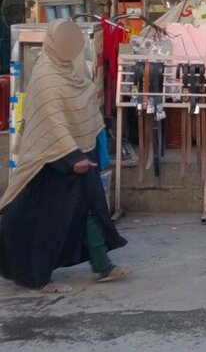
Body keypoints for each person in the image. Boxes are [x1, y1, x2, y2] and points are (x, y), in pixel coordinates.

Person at [0, 20, 129, 293]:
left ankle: (103, 266)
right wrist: (72, 157)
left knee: (91, 210)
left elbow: (88, 112)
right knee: (47, 220)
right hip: (51, 162)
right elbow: (52, 122)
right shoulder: (45, 76)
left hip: (81, 154)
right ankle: (36, 277)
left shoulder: (75, 71)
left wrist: (92, 148)